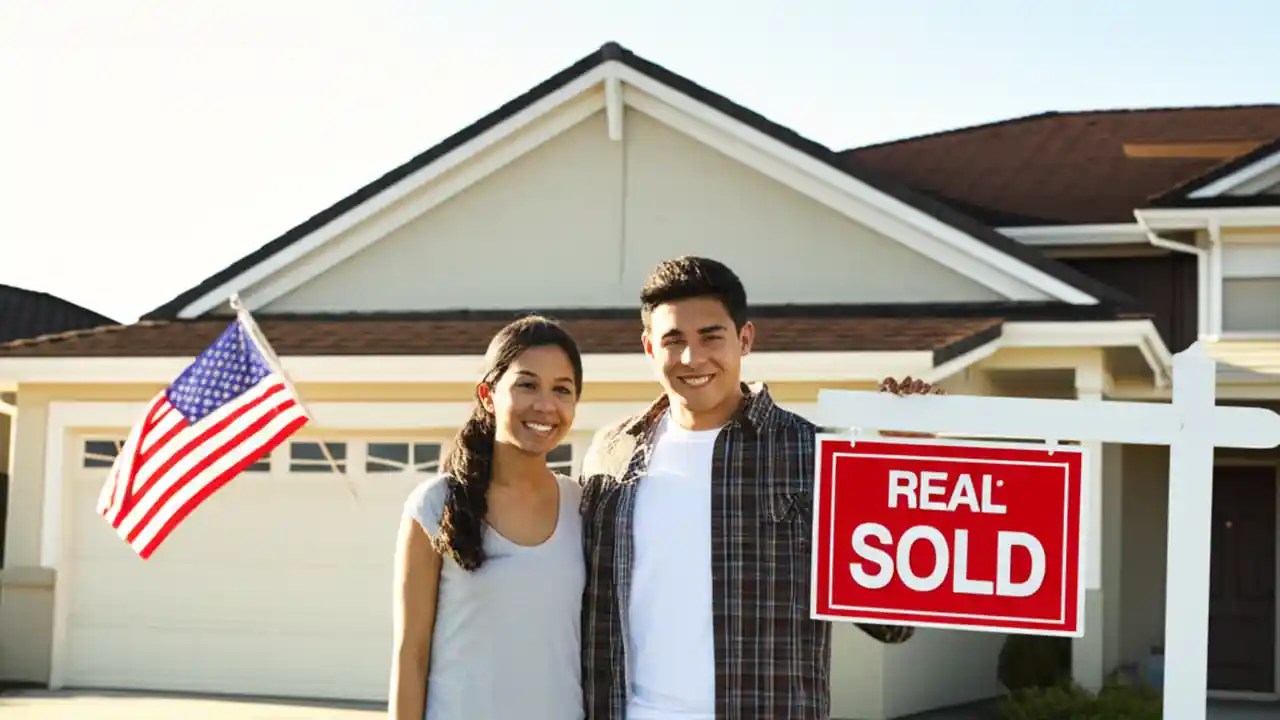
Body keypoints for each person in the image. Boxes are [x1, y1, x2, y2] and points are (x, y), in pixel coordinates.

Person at [579, 256, 936, 720]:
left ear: (745, 338)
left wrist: (904, 469)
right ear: (649, 348)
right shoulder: (611, 454)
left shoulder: (813, 455)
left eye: (711, 337)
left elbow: (894, 625)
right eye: (673, 341)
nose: (692, 358)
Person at [390, 315, 586, 720]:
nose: (545, 405)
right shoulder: (435, 504)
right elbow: (411, 656)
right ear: (488, 394)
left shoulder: (583, 507)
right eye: (527, 384)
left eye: (562, 390)